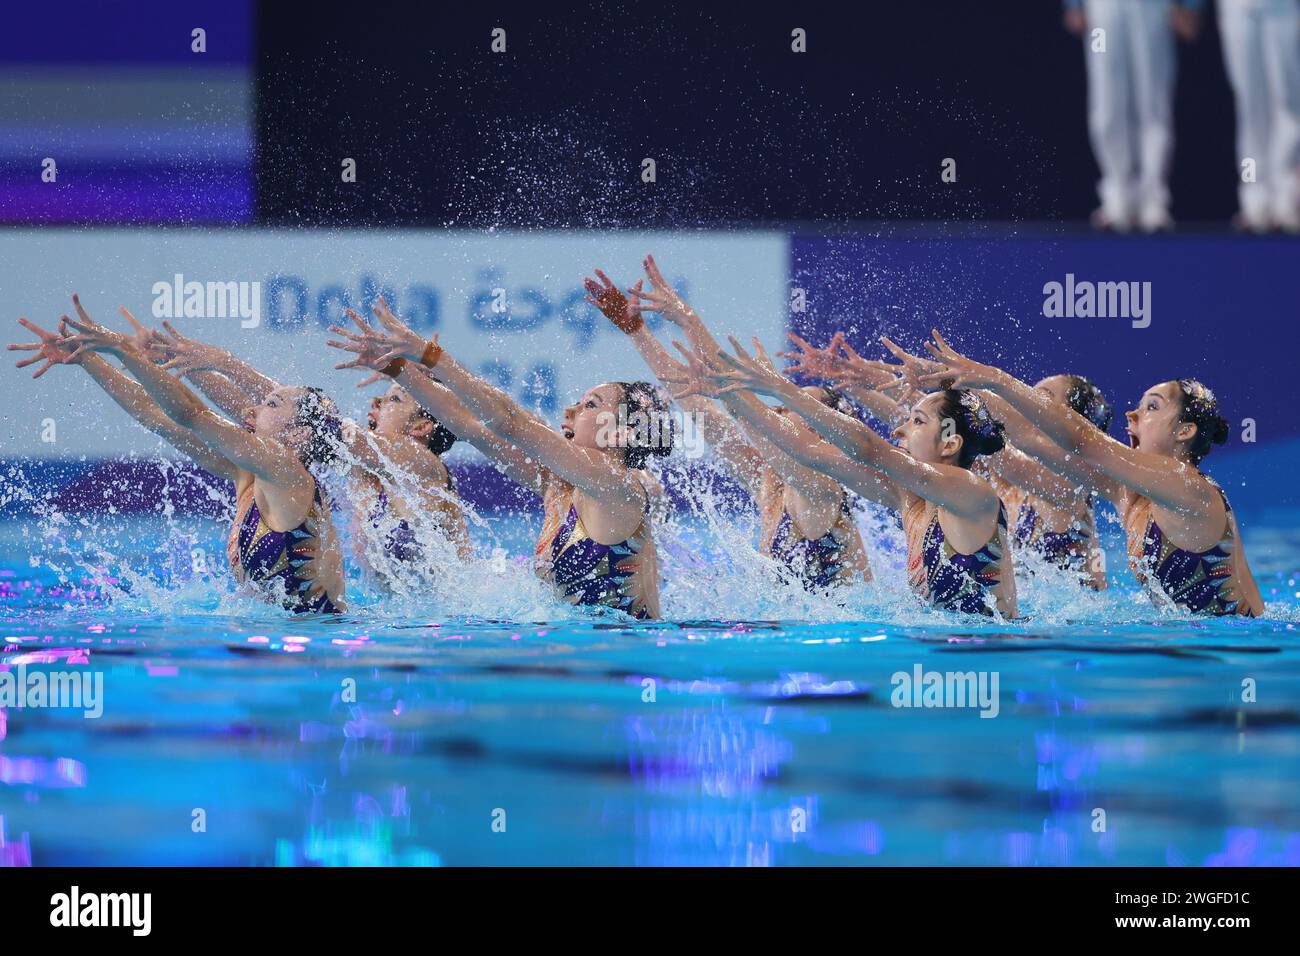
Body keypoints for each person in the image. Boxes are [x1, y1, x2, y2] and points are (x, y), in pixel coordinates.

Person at [325, 299, 673, 619]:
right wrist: (399, 369)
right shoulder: (557, 484)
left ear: (619, 433)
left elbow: (510, 421)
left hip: (626, 661)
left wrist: (428, 354)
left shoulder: (615, 484)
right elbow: (471, 424)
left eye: (591, 405)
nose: (570, 410)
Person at [13, 297, 347, 613]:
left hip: (318, 646)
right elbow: (155, 416)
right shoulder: (249, 474)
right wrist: (87, 358)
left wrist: (122, 349)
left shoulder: (288, 473)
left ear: (299, 434)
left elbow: (193, 414)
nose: (252, 407)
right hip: (279, 642)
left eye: (271, 404)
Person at [915, 329, 1263, 616]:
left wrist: (996, 379)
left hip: (1241, 650)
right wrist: (953, 391)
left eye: (1152, 407)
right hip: (1200, 648)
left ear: (1184, 431)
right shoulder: (1128, 492)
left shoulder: (1191, 490)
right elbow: (1033, 438)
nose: (1132, 415)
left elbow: (1079, 439)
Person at [666, 335, 1018, 618]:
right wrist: (735, 393)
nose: (900, 429)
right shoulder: (907, 496)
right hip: (945, 651)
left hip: (994, 656)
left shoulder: (972, 494)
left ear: (950, 443)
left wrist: (779, 387)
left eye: (917, 421)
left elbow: (869, 448)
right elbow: (811, 452)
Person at [585, 256, 872, 595]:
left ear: (822, 431)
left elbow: (744, 411)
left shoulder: (821, 488)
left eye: (796, 407)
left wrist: (689, 321)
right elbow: (702, 412)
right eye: (781, 404)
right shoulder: (772, 483)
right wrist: (638, 333)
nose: (779, 409)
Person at [784, 332, 1115, 590]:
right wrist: (858, 384)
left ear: (1068, 421)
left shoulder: (1069, 487)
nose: (1026, 399)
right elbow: (929, 429)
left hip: (1070, 634)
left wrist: (937, 377)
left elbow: (966, 433)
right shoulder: (1002, 475)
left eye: (1041, 399)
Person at [148, 317, 472, 576]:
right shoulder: (362, 465)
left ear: (421, 427)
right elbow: (269, 419)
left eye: (393, 400)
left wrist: (227, 363)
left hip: (450, 624)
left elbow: (303, 414)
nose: (374, 405)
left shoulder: (423, 465)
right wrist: (194, 368)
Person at [1064, 0, 1204, 231]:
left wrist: (1191, 5)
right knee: (1106, 103)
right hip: (1103, 8)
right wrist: (1073, 5)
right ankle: (1116, 195)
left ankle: (1153, 199)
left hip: (1153, 7)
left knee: (1153, 103)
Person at [1216, 0, 1300, 232]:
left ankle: (1287, 196)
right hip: (1237, 9)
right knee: (1249, 108)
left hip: (1282, 9)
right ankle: (1253, 196)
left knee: (1288, 104)